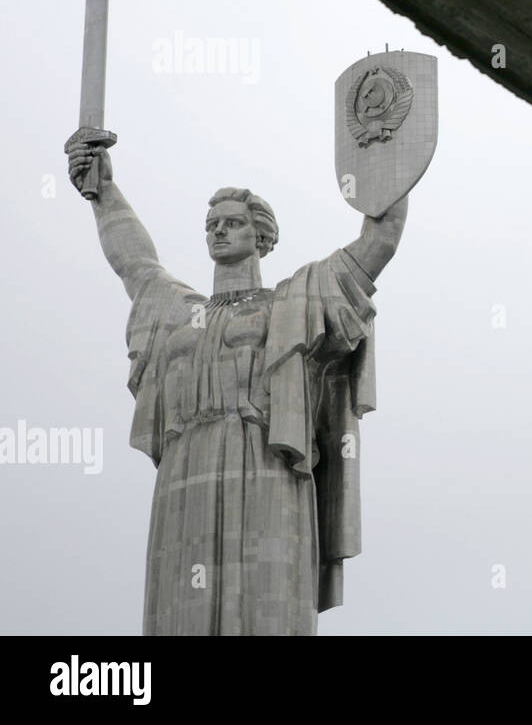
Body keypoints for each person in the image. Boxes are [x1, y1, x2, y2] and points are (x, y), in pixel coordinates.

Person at [66, 138, 407, 635]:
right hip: (185, 472)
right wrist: (102, 190)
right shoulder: (179, 311)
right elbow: (134, 262)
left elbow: (380, 243)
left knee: (263, 603)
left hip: (266, 465)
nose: (219, 231)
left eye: (232, 223)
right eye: (212, 225)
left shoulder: (292, 301)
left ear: (262, 236)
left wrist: (391, 156)